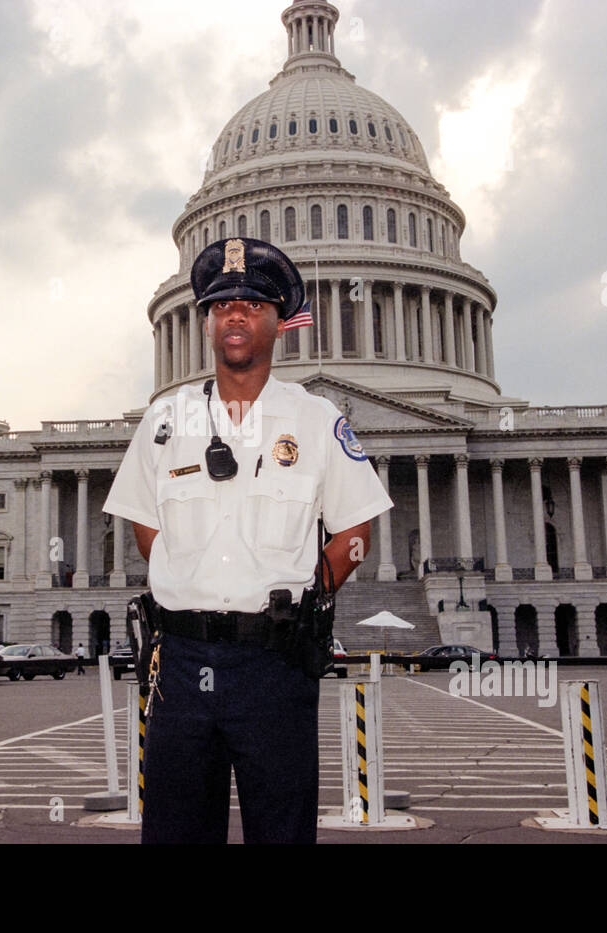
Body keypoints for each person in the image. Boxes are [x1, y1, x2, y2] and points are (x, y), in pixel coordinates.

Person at [102, 237, 393, 844]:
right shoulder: (165, 420)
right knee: (176, 832)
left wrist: (312, 593)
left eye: (254, 305)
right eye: (223, 305)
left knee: (282, 831)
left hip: (275, 661)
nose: (236, 315)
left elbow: (357, 528)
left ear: (279, 322)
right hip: (181, 659)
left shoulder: (316, 421)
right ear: (207, 320)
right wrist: (191, 574)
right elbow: (142, 522)